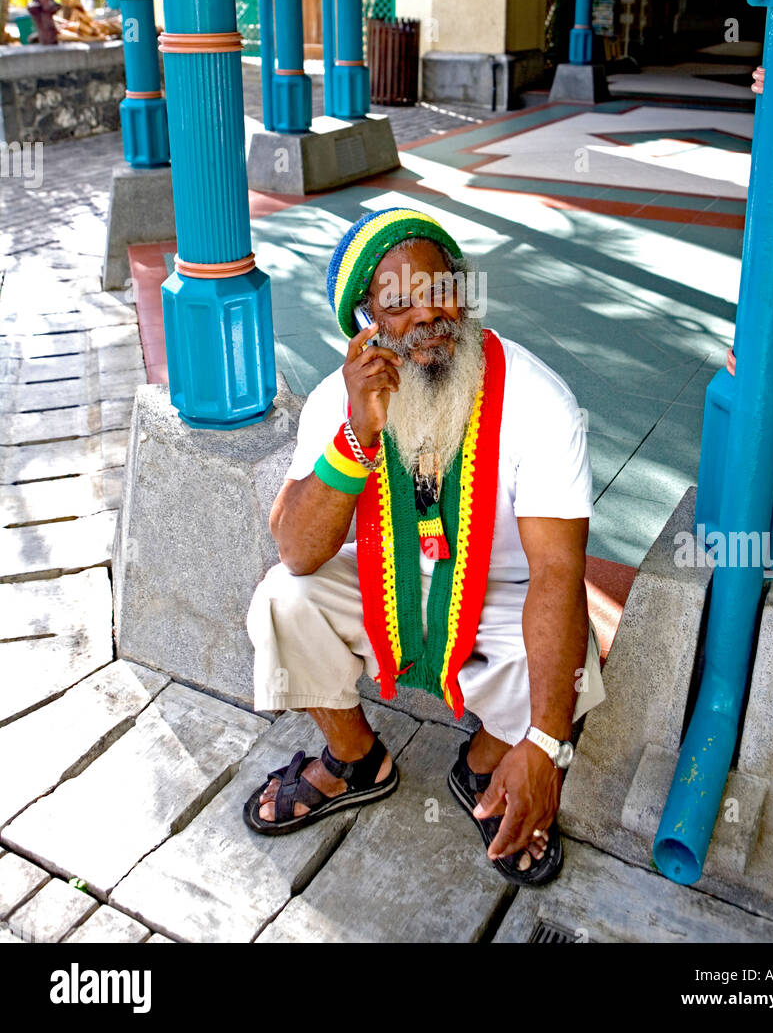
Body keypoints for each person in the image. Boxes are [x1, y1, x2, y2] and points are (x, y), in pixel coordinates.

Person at [244, 206, 605, 885]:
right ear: (366, 323)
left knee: (570, 660)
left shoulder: (539, 399)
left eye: (440, 289)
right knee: (282, 599)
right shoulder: (337, 400)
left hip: (503, 593)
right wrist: (356, 438)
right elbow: (297, 550)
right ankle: (356, 760)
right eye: (399, 303)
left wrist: (547, 746)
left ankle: (491, 761)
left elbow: (558, 569)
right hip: (385, 579)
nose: (428, 315)